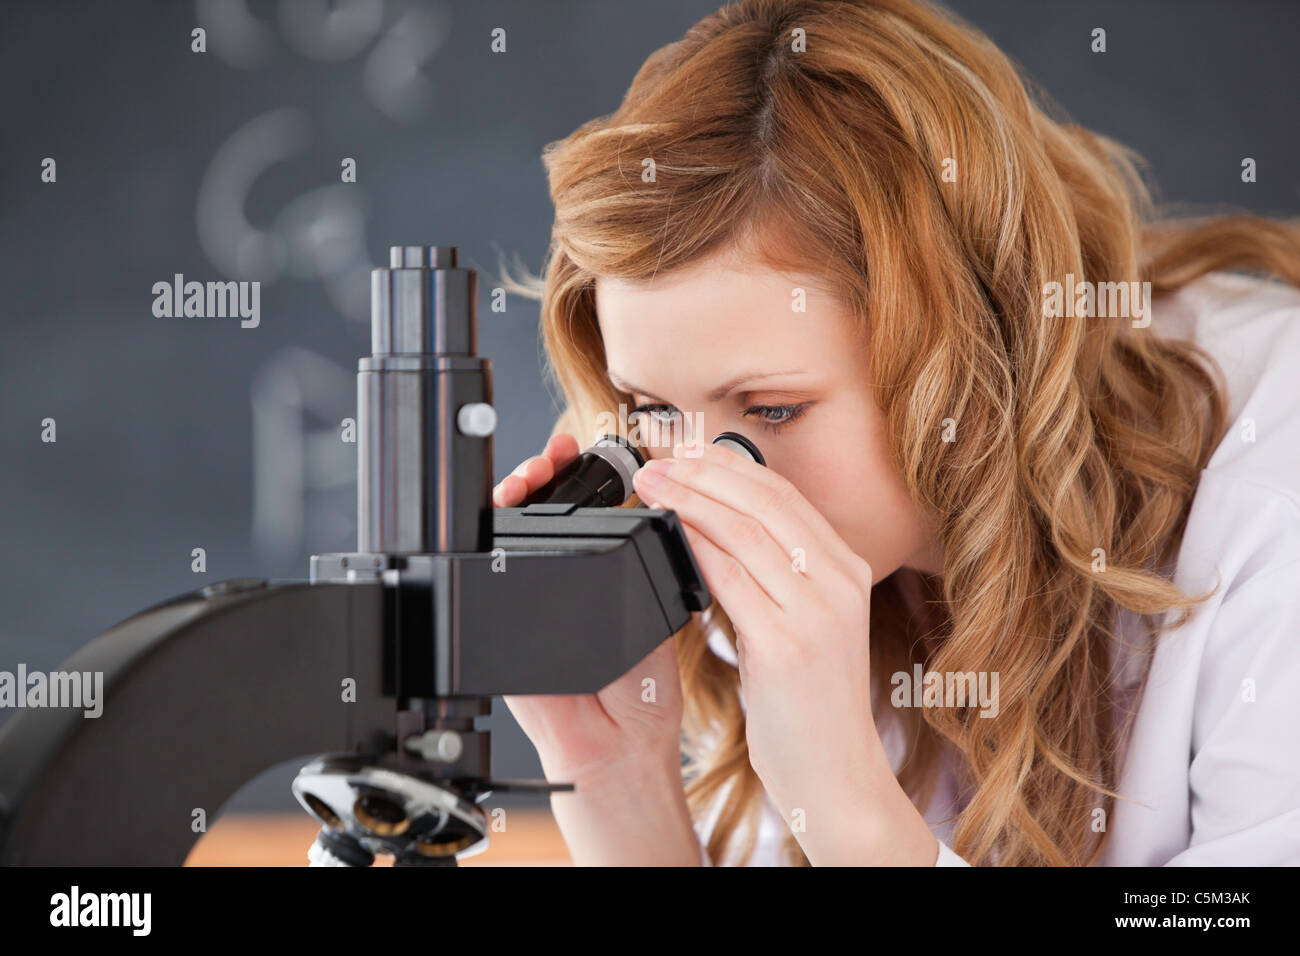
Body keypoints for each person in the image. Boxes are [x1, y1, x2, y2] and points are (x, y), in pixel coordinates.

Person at [495, 0, 1300, 866]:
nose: (699, 489)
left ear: (963, 350)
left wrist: (844, 803)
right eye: (655, 414)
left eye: (770, 411)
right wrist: (615, 780)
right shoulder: (819, 544)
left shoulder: (1271, 497)